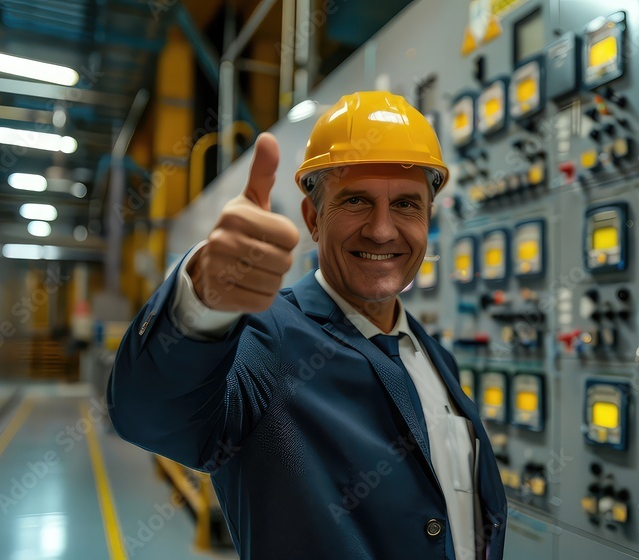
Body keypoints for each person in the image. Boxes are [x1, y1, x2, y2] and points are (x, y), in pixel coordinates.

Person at [107, 91, 507, 560]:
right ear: (313, 218)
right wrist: (202, 302)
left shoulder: (436, 359)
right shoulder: (266, 340)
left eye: (406, 205)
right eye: (356, 201)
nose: (382, 230)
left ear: (428, 218)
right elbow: (152, 415)